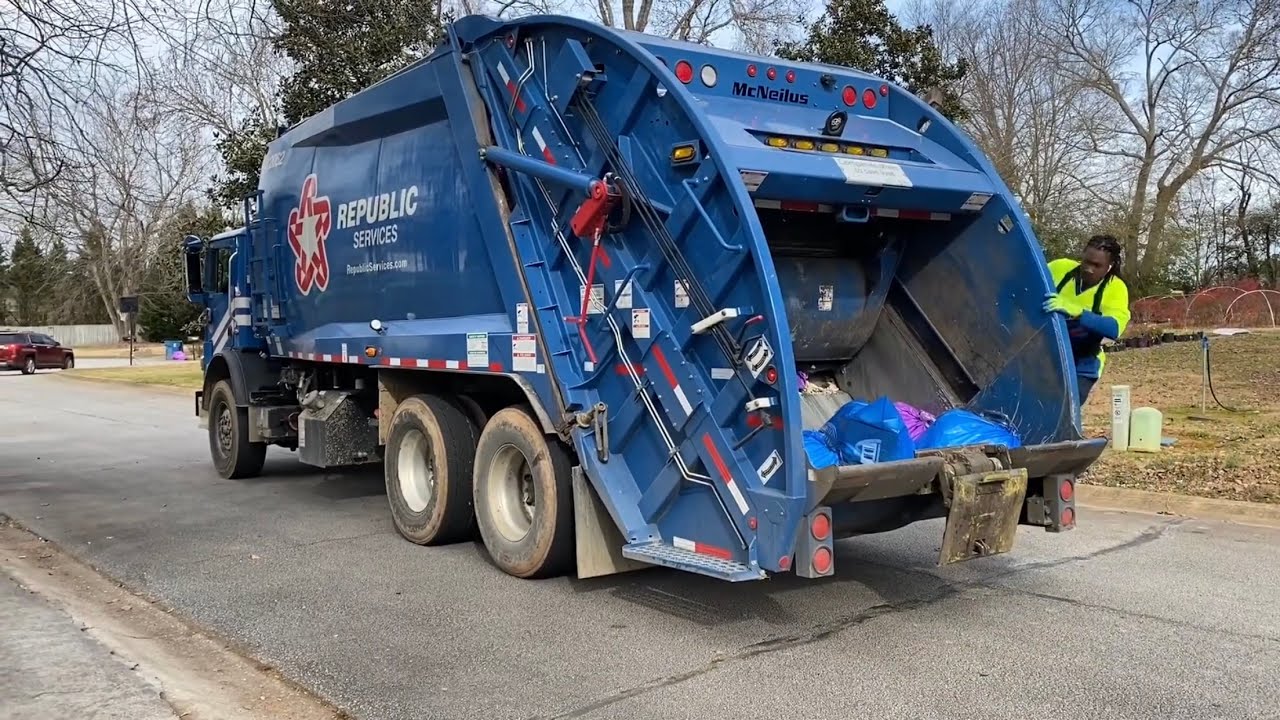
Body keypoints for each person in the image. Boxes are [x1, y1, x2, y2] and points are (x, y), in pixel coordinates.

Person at [1043, 234, 1132, 406]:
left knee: (1065, 411)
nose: (1089, 269)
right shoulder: (1059, 268)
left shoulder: (1115, 288)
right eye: (1087, 262)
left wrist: (1077, 312)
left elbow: (1113, 328)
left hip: (1083, 364)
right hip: (1047, 355)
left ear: (1109, 266)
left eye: (1097, 265)